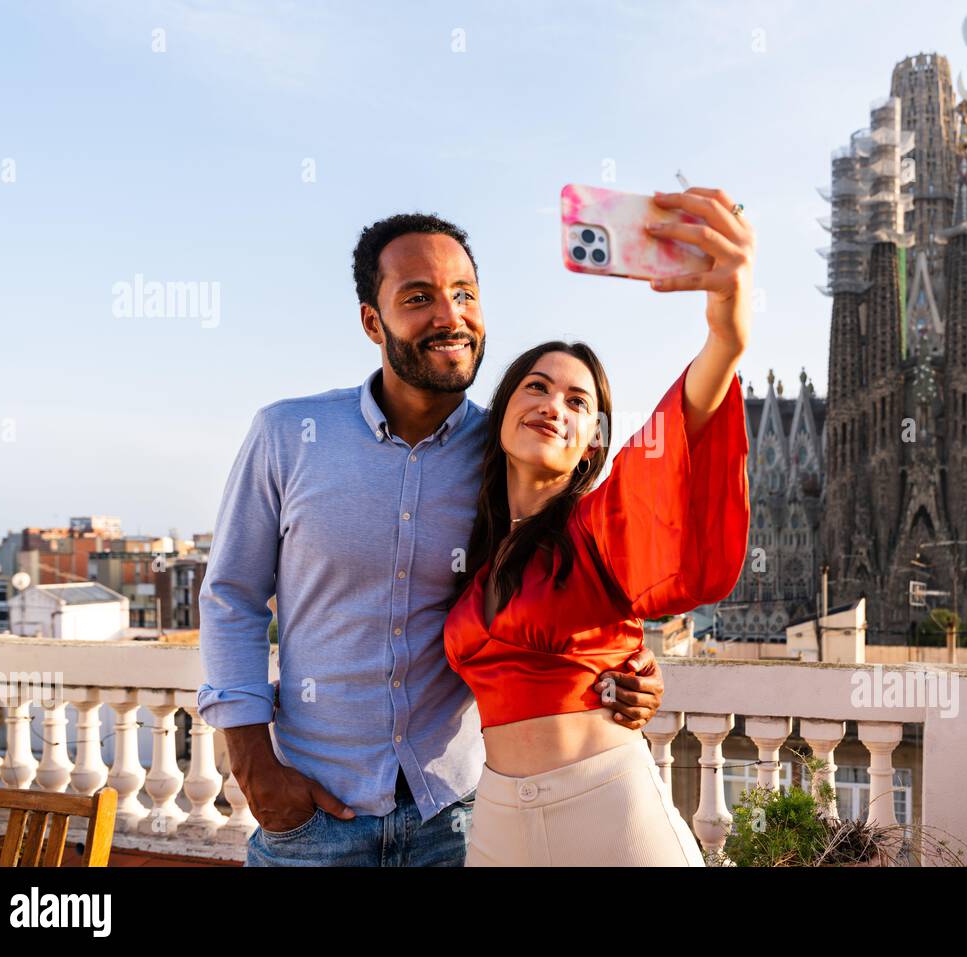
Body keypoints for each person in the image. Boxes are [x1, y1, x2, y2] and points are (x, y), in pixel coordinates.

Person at [197, 211, 665, 867]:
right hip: (312, 819)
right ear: (372, 321)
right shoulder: (287, 434)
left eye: (465, 293)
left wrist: (626, 671)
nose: (452, 315)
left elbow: (568, 575)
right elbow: (231, 598)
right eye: (418, 297)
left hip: (459, 820)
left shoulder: (507, 453)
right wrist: (253, 767)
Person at [445, 185, 753, 866]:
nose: (553, 404)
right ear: (501, 412)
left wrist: (727, 332)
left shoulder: (595, 523)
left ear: (592, 441)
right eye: (536, 386)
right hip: (496, 822)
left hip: (610, 817)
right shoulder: (480, 554)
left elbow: (682, 428)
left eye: (576, 400)